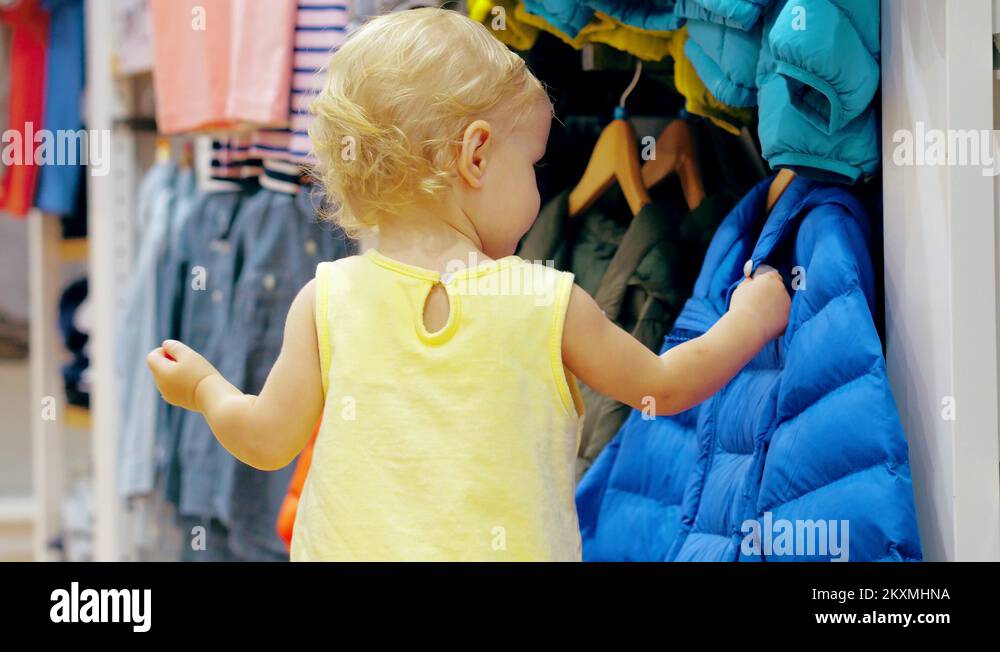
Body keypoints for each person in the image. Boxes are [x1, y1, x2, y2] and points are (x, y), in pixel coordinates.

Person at [147, 8, 790, 561]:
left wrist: (203, 387)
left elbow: (264, 440)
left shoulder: (327, 300)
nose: (541, 188)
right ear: (476, 155)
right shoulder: (545, 302)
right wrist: (752, 316)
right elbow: (664, 386)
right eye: (533, 164)